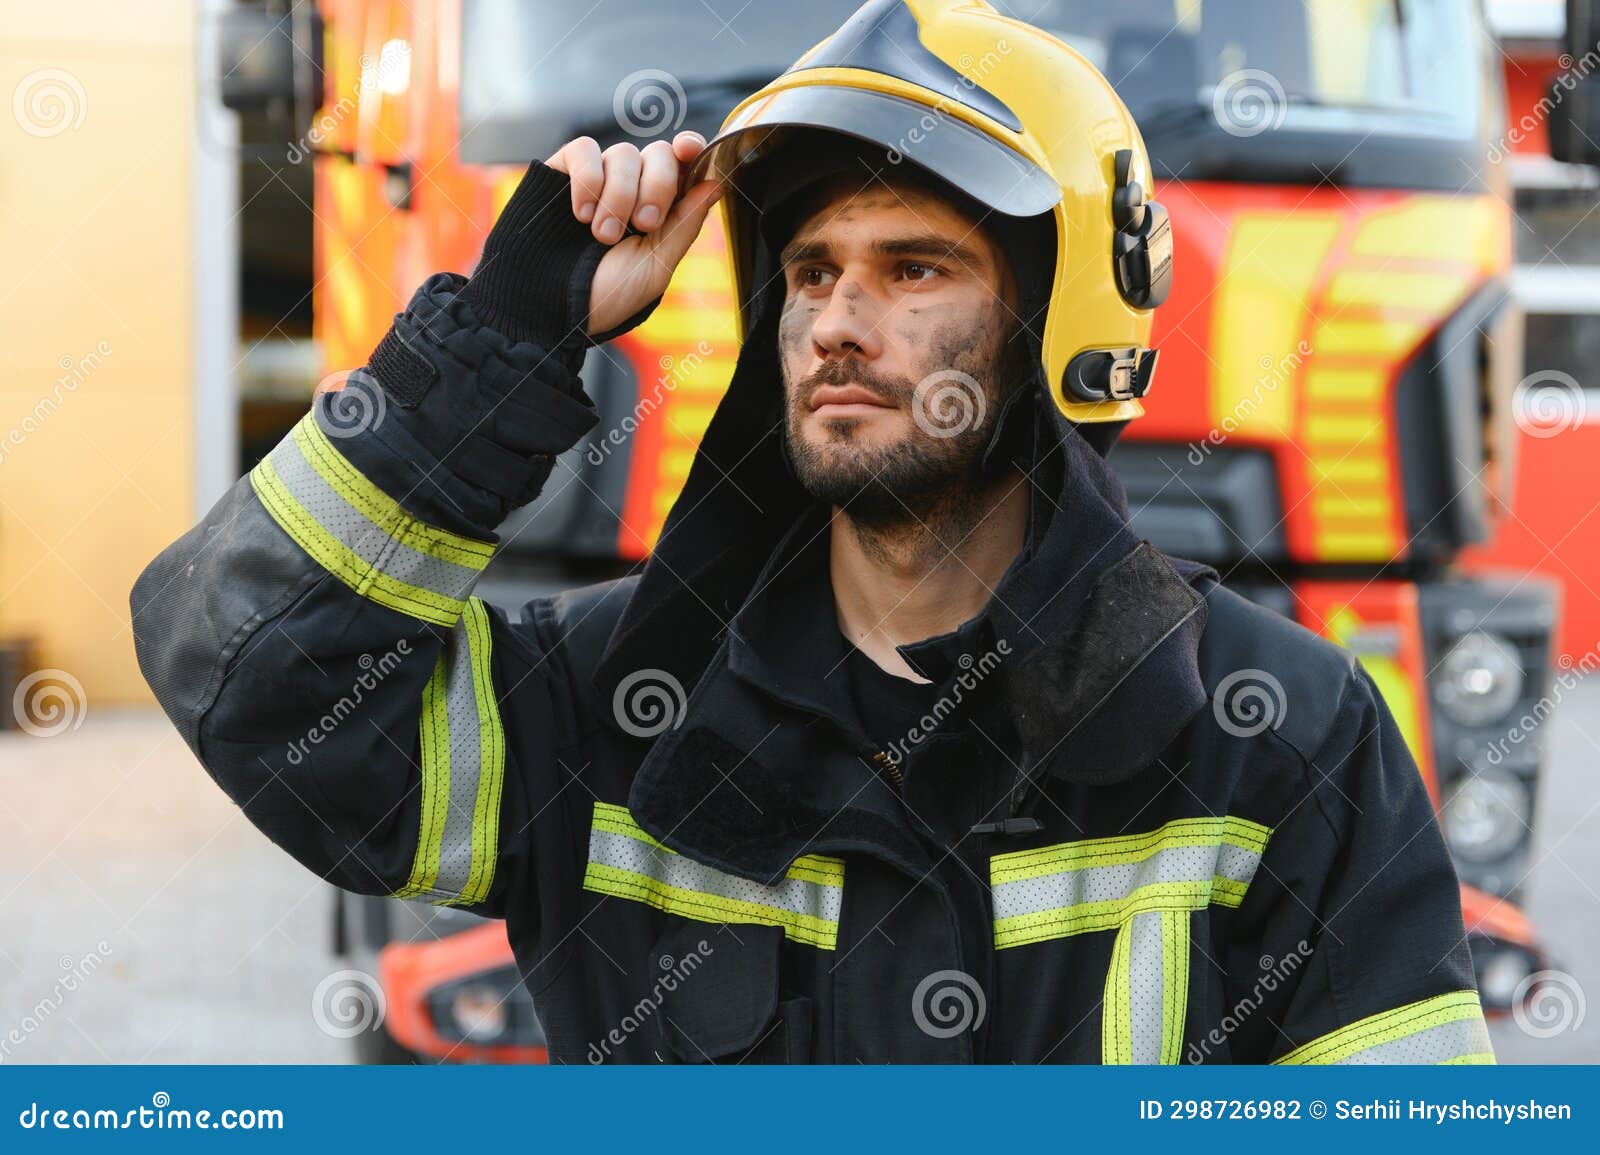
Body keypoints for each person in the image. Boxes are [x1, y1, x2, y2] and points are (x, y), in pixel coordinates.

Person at [131, 0, 1491, 1064]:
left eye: (915, 268)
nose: (837, 320)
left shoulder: (1279, 736)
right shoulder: (600, 712)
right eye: (809, 273)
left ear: (1056, 326)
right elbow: (246, 683)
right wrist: (496, 346)